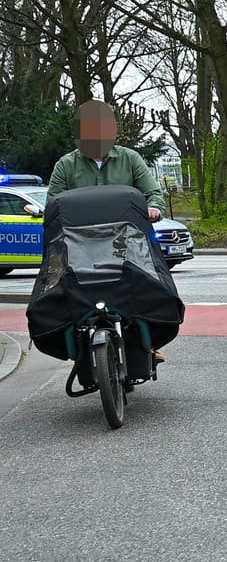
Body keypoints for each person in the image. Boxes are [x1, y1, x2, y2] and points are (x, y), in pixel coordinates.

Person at [47, 99, 169, 364]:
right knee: (58, 286)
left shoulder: (130, 158)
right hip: (80, 245)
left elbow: (152, 192)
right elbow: (53, 201)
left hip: (124, 242)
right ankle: (69, 341)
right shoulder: (66, 165)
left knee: (150, 282)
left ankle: (151, 340)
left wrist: (154, 208)